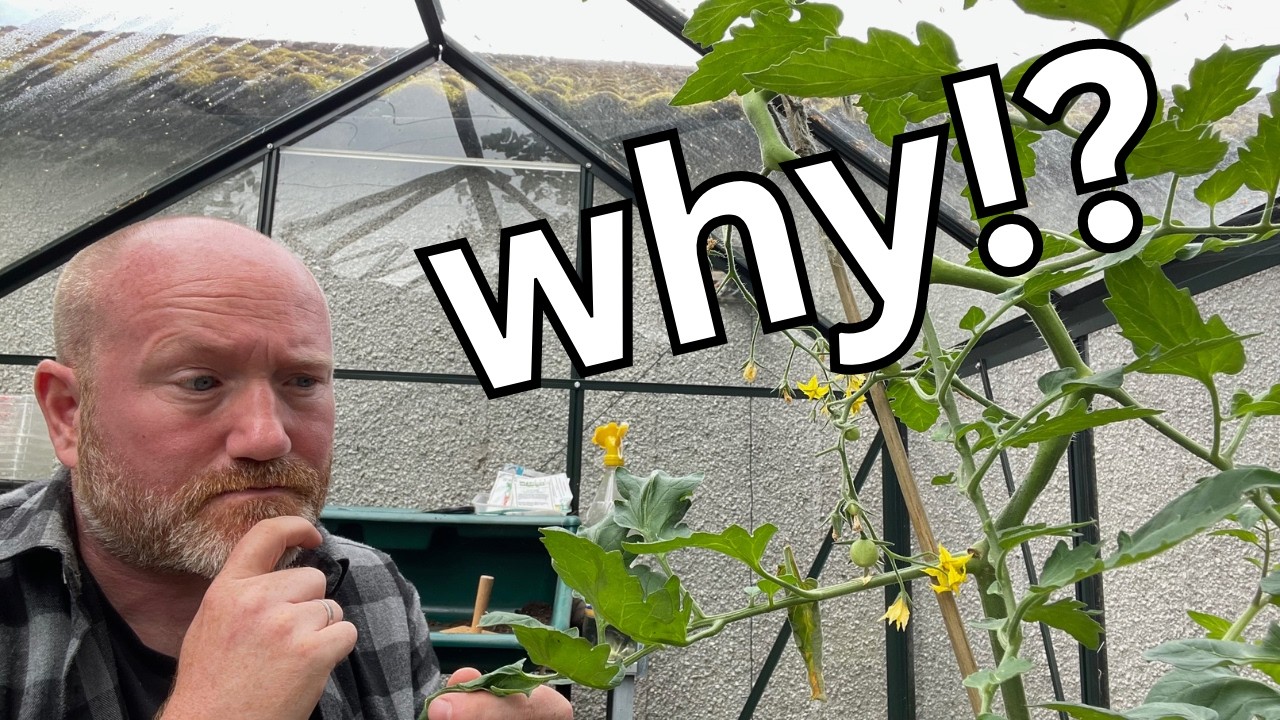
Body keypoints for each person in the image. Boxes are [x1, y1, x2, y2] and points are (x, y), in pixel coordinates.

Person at [0, 216, 573, 720]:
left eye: (301, 381)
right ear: (69, 414)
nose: (267, 437)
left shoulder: (370, 587)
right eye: (201, 382)